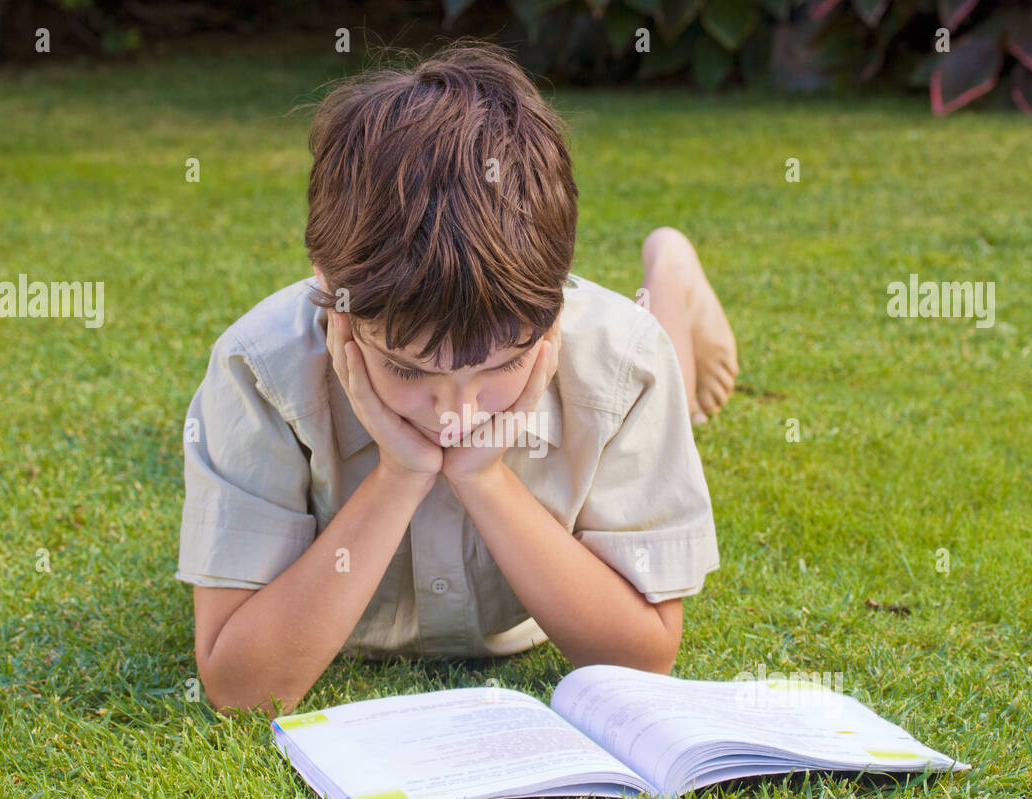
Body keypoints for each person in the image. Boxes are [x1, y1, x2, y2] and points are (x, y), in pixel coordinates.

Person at [176, 42, 738, 716]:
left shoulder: (624, 362)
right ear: (332, 297)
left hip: (622, 352)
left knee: (646, 362)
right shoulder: (258, 372)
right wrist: (399, 476)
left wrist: (485, 477)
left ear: (555, 305)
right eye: (407, 368)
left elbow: (641, 660)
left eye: (500, 366)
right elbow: (241, 689)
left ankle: (667, 282)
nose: (455, 414)